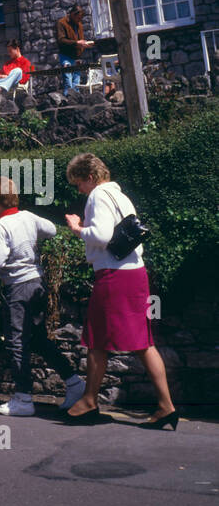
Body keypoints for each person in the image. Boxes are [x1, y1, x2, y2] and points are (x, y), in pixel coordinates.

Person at [63, 154, 177, 428]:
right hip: (135, 273)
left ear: (90, 177)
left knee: (96, 338)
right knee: (142, 341)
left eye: (78, 183)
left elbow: (101, 236)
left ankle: (89, 402)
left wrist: (77, 228)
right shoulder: (120, 196)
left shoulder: (98, 196)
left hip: (114, 276)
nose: (78, 189)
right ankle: (166, 406)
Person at [0, 177, 84, 416]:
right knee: (38, 339)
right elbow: (50, 229)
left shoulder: (0, 226)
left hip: (17, 286)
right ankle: (74, 383)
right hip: (37, 283)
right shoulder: (28, 217)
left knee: (17, 341)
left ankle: (23, 398)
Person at [57, 5, 92, 93]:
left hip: (77, 56)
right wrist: (76, 43)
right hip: (66, 55)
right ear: (72, 14)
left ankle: (76, 101)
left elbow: (80, 39)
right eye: (78, 18)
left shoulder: (79, 25)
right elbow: (61, 40)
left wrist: (84, 45)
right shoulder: (61, 23)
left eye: (80, 18)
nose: (79, 20)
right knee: (68, 80)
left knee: (76, 82)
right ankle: (68, 101)